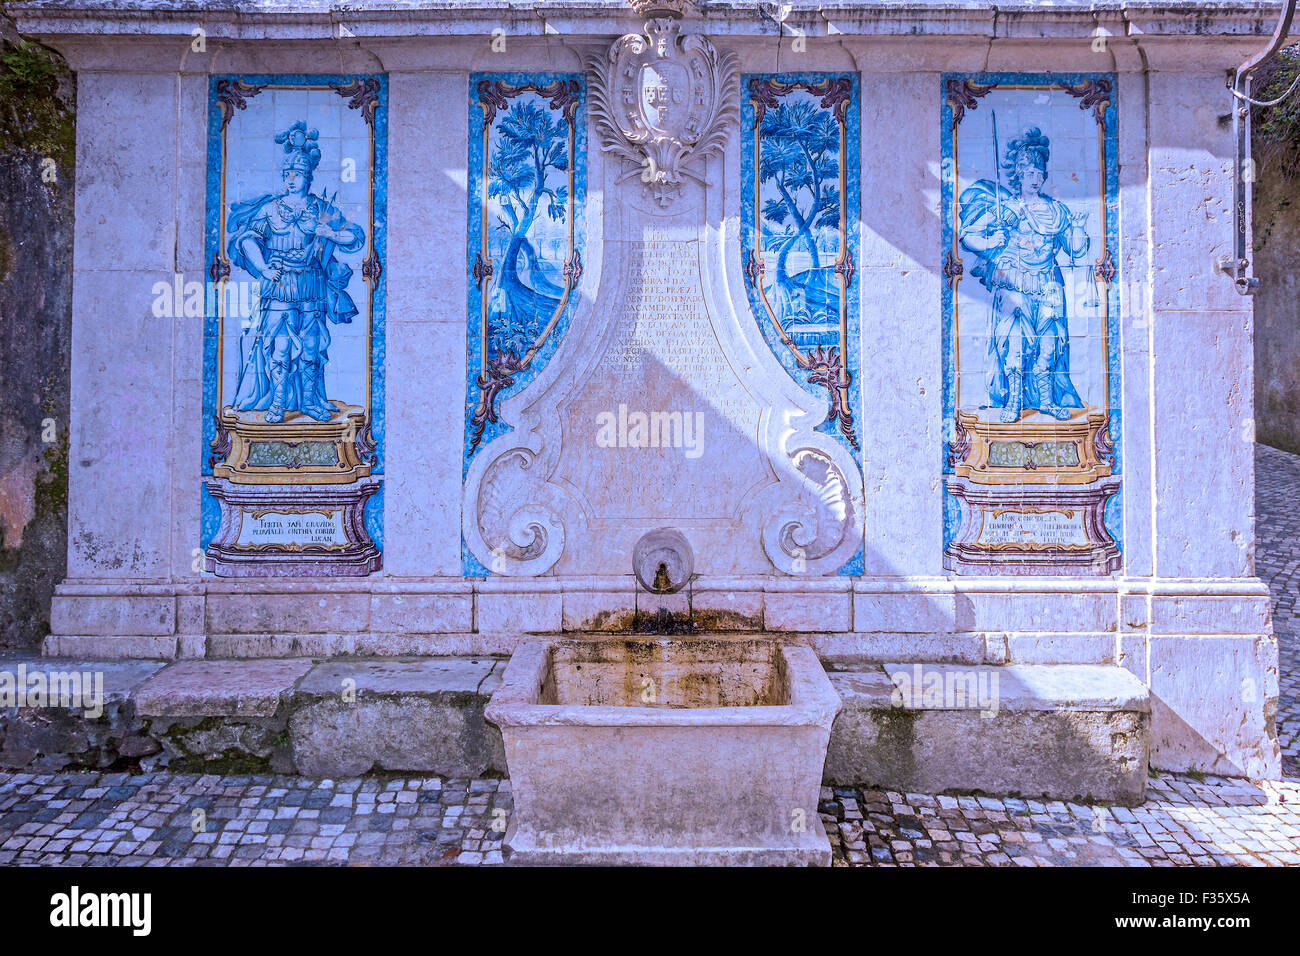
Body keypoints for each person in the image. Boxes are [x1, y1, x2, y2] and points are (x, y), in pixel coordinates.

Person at [226, 121, 365, 423]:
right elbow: (247, 239)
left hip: (312, 285)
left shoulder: (321, 209)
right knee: (280, 347)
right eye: (287, 174)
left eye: (297, 174)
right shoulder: (272, 209)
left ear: (308, 177)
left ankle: (312, 403)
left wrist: (329, 233)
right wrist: (263, 269)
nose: (291, 180)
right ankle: (277, 403)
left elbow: (355, 237)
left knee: (312, 346)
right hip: (280, 284)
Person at [958, 126, 1089, 423]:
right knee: (1014, 342)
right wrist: (995, 241)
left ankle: (1045, 400)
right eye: (1029, 172)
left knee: (1050, 342)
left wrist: (1079, 227)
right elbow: (968, 237)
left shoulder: (1056, 211)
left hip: (1048, 283)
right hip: (1014, 280)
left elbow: (1076, 250)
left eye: (1039, 172)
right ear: (1018, 174)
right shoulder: (1006, 208)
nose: (1035, 177)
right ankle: (1014, 399)